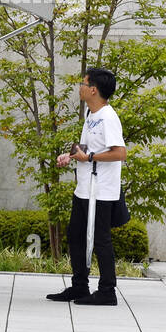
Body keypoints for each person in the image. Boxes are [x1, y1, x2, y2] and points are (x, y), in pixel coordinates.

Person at [48, 68, 126, 306]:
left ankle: (107, 291)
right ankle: (80, 286)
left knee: (100, 239)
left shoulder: (108, 117)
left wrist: (89, 157)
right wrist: (70, 156)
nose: (80, 88)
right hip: (84, 188)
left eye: (83, 84)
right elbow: (85, 148)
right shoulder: (92, 116)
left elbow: (120, 153)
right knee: (76, 235)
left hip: (101, 191)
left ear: (93, 89)